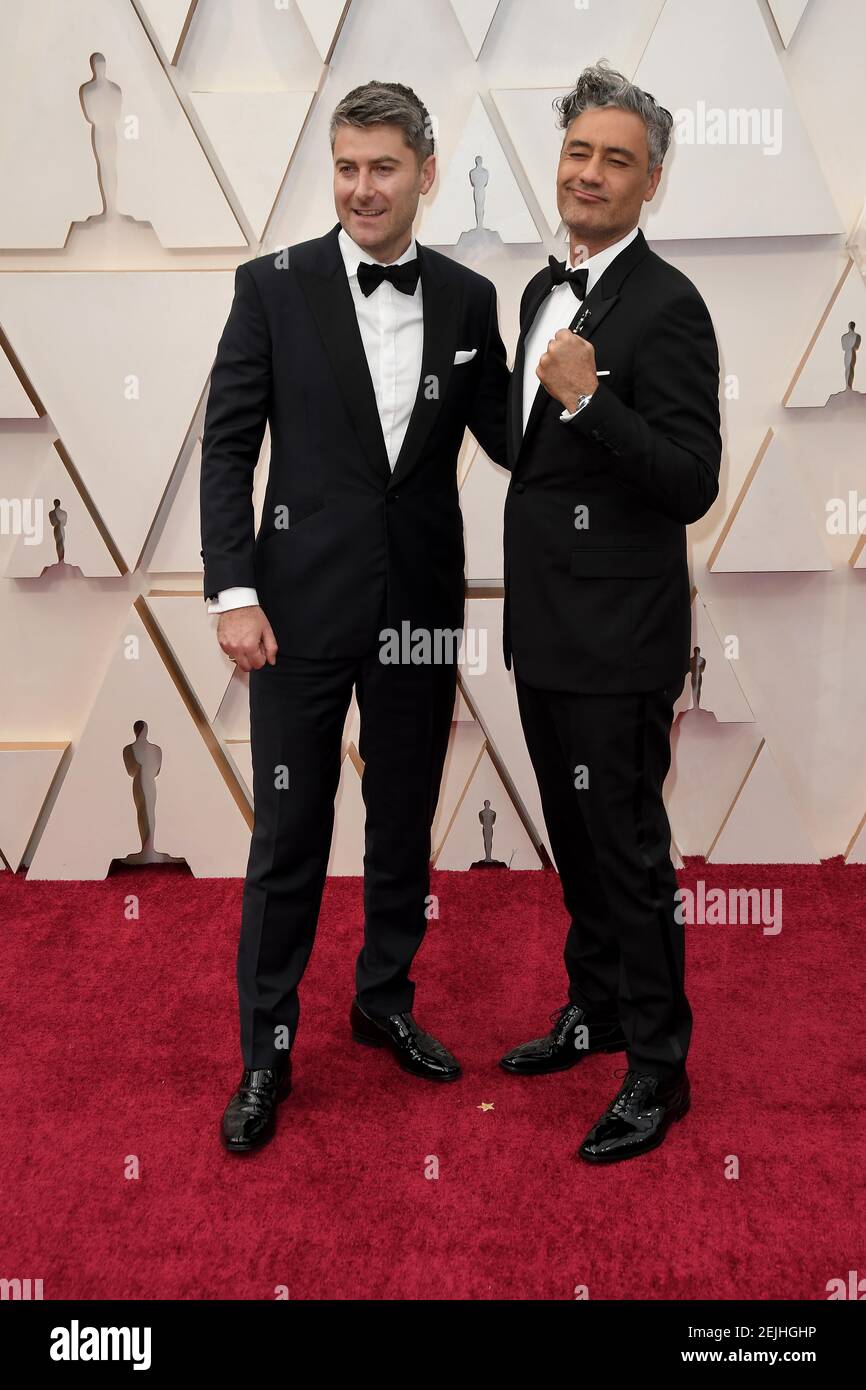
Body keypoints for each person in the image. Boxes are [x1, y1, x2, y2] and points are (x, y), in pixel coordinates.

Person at [200, 80, 509, 1154]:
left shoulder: (470, 299)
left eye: (382, 167)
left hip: (416, 604)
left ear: (426, 170)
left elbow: (513, 437)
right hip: (292, 609)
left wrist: (591, 369)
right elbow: (229, 446)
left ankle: (383, 997)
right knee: (289, 829)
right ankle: (265, 1050)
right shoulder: (269, 287)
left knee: (401, 816)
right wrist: (232, 591)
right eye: (345, 167)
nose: (361, 188)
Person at [498, 61, 722, 1163]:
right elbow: (532, 458)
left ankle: (656, 1067)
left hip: (619, 638)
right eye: (577, 152)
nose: (588, 173)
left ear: (652, 183)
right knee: (574, 842)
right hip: (542, 627)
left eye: (614, 160)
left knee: (627, 850)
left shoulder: (668, 306)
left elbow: (688, 479)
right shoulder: (543, 289)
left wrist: (591, 398)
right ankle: (595, 1009)